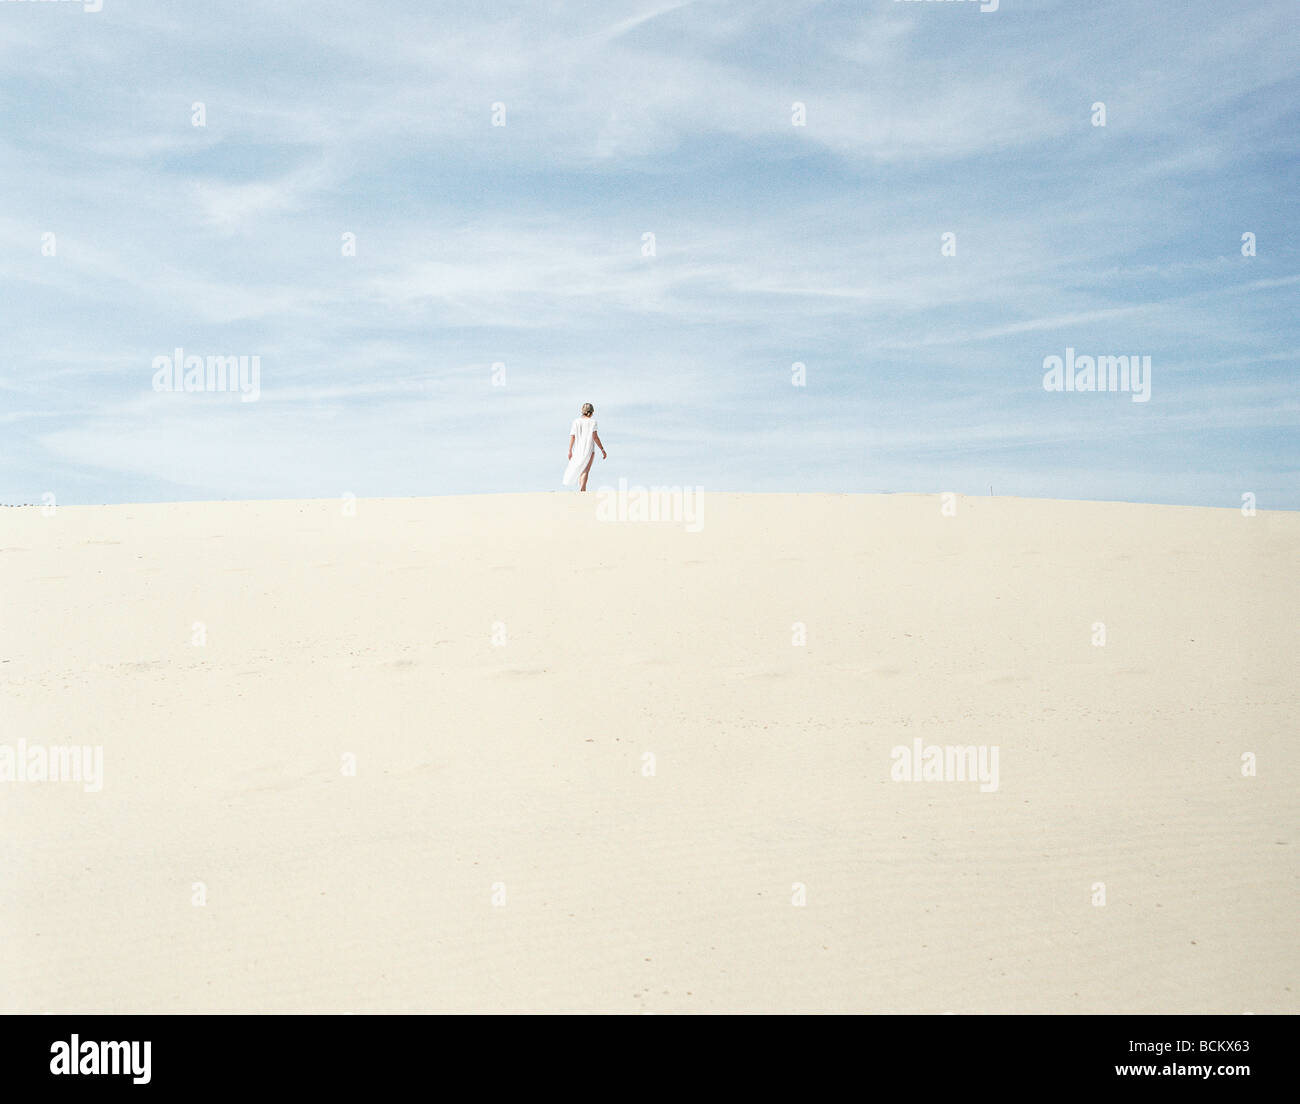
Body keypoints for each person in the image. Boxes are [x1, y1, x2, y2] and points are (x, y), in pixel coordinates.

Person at [562, 403, 606, 491]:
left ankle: (582, 489)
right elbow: (595, 437)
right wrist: (602, 449)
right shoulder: (593, 422)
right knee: (585, 470)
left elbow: (573, 436)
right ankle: (583, 489)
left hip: (578, 449)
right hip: (589, 449)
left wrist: (570, 450)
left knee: (580, 470)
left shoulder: (576, 421)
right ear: (592, 412)